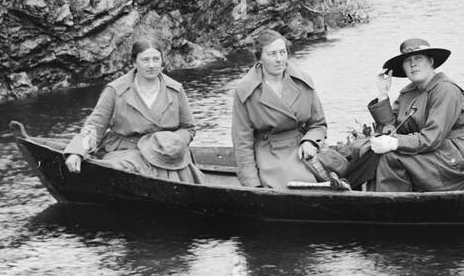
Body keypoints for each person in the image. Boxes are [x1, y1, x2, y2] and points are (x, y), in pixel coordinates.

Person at [317, 37, 464, 193]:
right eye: (407, 61)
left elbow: (431, 138)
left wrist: (394, 143)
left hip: (451, 161)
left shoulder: (445, 90)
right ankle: (347, 184)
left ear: (431, 61)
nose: (413, 64)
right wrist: (383, 94)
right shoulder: (409, 92)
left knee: (389, 156)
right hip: (427, 154)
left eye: (418, 58)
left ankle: (384, 203)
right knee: (366, 147)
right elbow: (391, 131)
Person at [64, 33, 204, 183]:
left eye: (156, 59)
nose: (151, 65)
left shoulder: (175, 89)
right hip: (127, 152)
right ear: (134, 62)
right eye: (145, 60)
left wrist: (171, 142)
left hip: (167, 156)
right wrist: (77, 152)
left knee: (184, 181)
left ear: (162, 61)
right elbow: (95, 127)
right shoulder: (115, 90)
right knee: (120, 172)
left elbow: (189, 128)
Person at [231, 29, 331, 190]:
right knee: (293, 181)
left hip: (302, 147)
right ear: (260, 58)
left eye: (282, 52)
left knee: (339, 172)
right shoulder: (246, 91)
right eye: (272, 54)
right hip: (269, 152)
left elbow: (318, 124)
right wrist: (252, 184)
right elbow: (242, 141)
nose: (279, 59)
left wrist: (310, 141)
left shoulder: (303, 82)